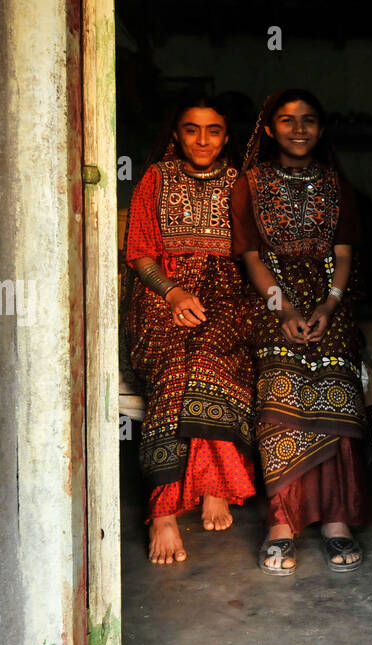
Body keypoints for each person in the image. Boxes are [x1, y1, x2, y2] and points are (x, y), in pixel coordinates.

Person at [232, 88, 371, 576]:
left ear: (321, 129)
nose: (298, 129)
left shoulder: (337, 184)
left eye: (309, 120)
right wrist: (285, 308)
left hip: (331, 299)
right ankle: (281, 524)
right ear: (269, 129)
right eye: (287, 120)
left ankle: (336, 520)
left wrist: (330, 306)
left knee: (337, 385)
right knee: (281, 387)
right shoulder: (250, 183)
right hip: (272, 297)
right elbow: (251, 257)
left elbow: (346, 253)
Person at [123, 93, 258, 565]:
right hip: (162, 294)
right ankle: (163, 512)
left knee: (211, 359)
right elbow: (139, 250)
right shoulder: (154, 179)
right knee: (175, 371)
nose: (202, 140)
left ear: (227, 135)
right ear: (177, 133)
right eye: (192, 129)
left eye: (214, 130)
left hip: (225, 294)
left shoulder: (243, 183)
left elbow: (255, 256)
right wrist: (173, 294)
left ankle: (213, 485)